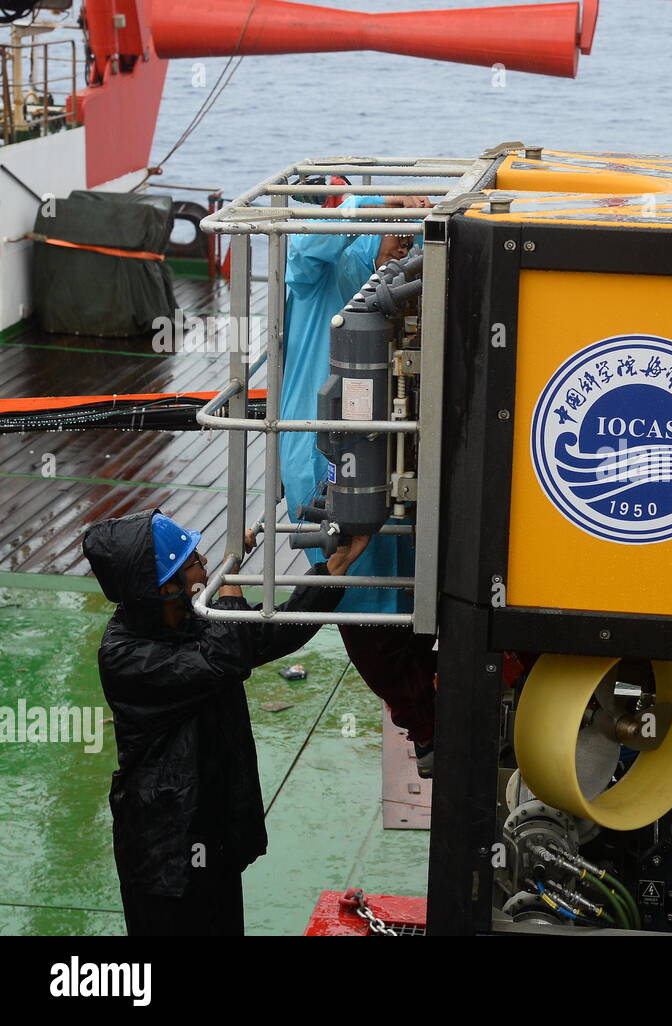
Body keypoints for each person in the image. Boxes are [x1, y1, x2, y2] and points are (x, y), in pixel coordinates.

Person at [82, 509, 370, 936]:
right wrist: (231, 585)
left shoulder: (188, 618)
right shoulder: (126, 657)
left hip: (211, 827)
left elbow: (264, 637)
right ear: (165, 587)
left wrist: (331, 571)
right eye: (194, 560)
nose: (205, 564)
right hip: (168, 850)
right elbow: (225, 655)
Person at [283, 193, 439, 773]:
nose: (400, 246)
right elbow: (306, 245)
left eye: (404, 237)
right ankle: (423, 724)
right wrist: (371, 203)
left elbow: (429, 254)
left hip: (392, 456)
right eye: (390, 234)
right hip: (324, 460)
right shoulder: (321, 281)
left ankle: (437, 700)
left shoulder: (393, 279)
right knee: (365, 599)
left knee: (410, 583)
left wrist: (423, 224)